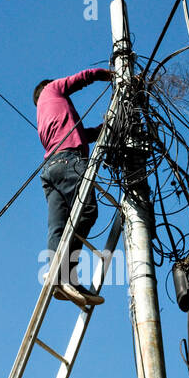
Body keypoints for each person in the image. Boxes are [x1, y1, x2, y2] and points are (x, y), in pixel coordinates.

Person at [33, 67, 114, 305]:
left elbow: (77, 133)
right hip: (69, 162)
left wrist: (100, 131)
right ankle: (64, 273)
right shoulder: (52, 89)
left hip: (51, 169)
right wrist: (108, 74)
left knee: (57, 228)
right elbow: (80, 78)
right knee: (87, 211)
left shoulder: (45, 114)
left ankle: (61, 276)